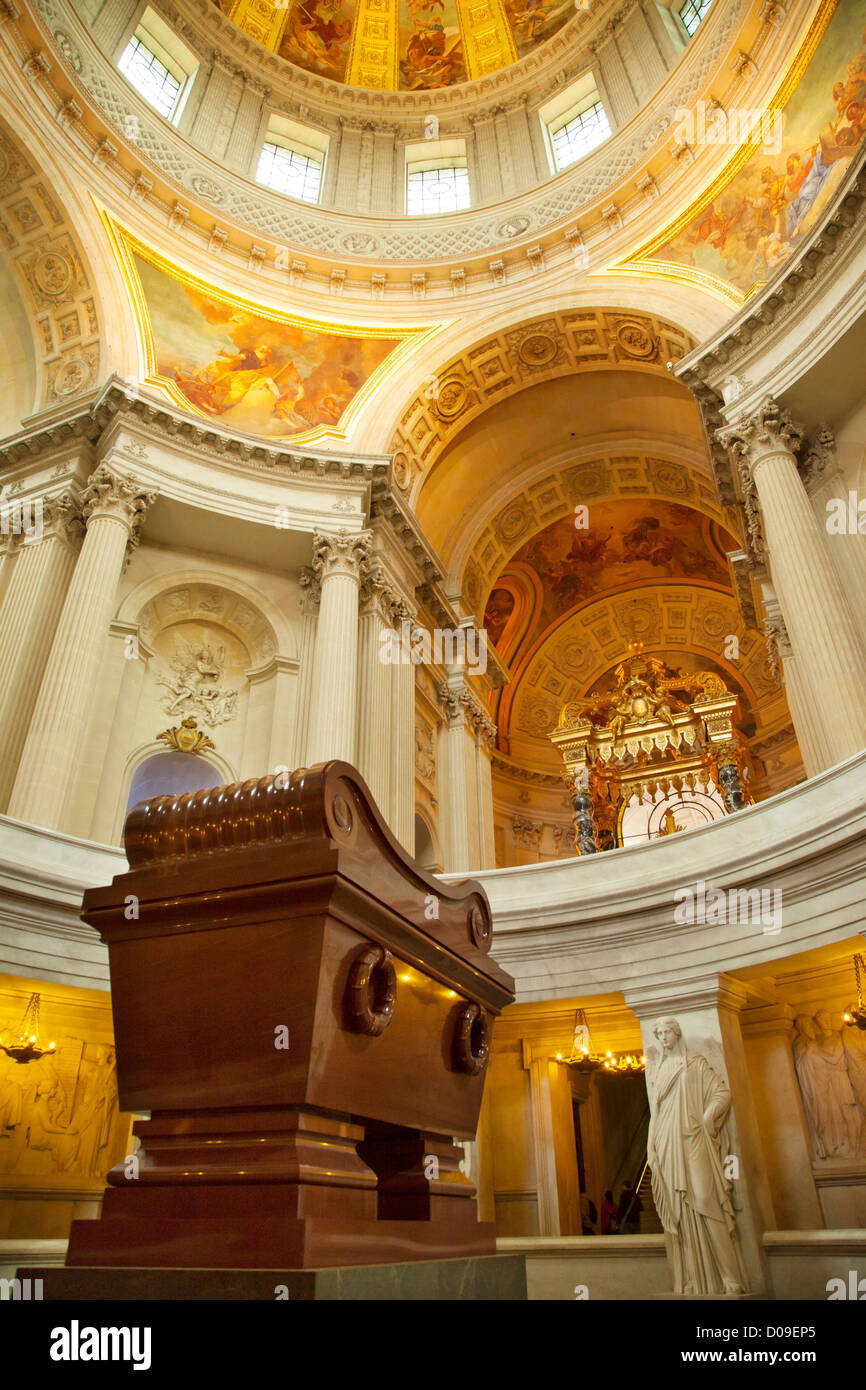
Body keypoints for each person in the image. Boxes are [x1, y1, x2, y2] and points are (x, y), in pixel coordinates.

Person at [647, 1017, 746, 1294]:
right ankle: (694, 1279)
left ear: (677, 1033)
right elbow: (655, 1113)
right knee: (680, 1209)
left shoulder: (695, 1063)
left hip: (694, 1137)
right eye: (659, 1033)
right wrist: (650, 1147)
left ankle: (729, 1275)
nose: (663, 1037)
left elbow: (722, 1093)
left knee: (705, 1198)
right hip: (666, 1140)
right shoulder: (660, 1068)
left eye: (666, 1032)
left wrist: (707, 1116)